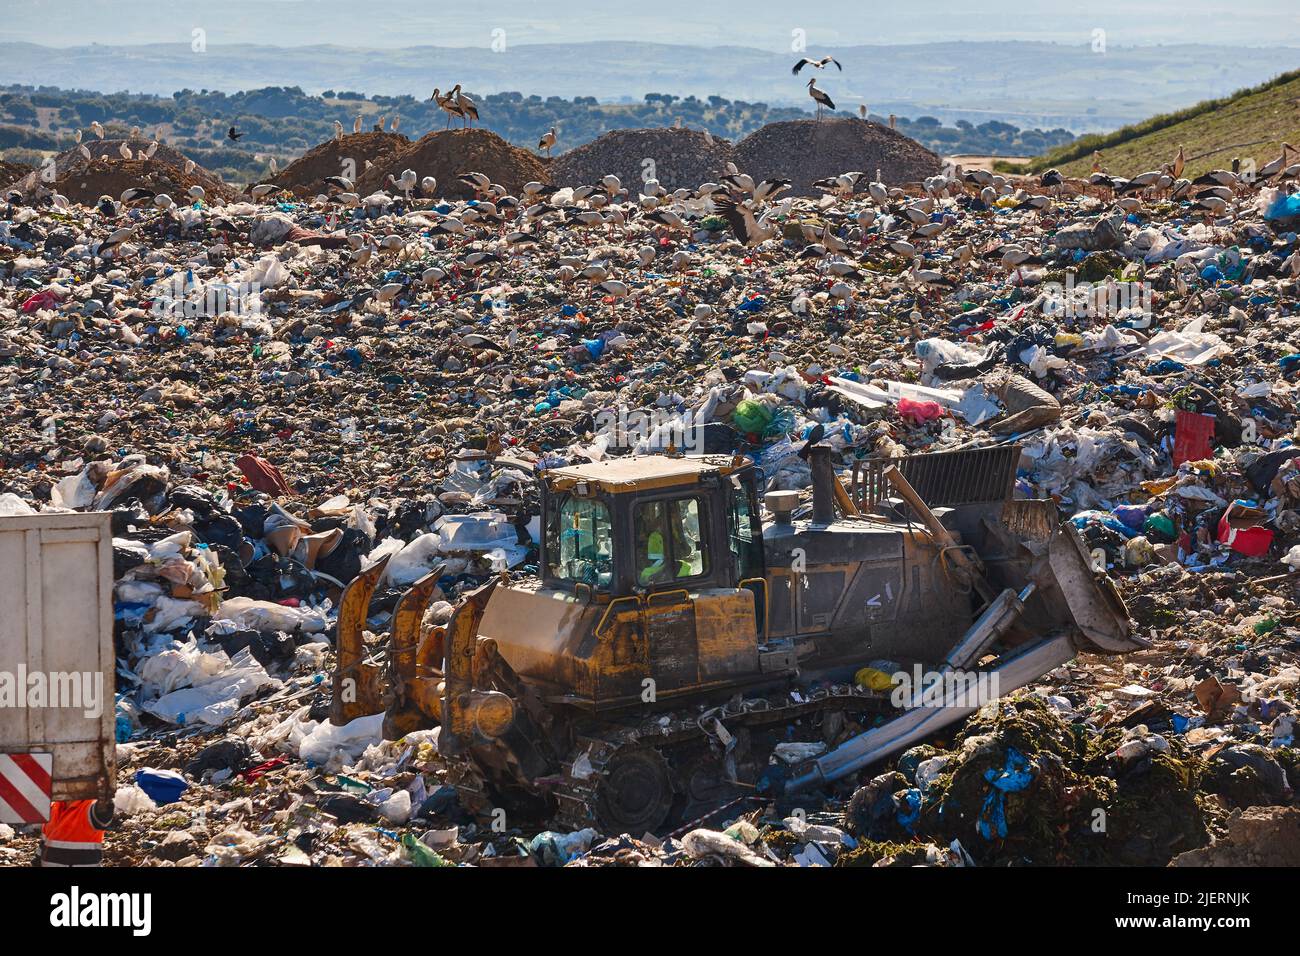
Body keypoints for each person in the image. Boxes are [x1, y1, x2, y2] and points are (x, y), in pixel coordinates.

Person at [37, 798, 113, 867]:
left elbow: (103, 813)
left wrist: (105, 798)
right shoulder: (53, 808)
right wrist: (36, 861)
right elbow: (44, 843)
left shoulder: (89, 807)